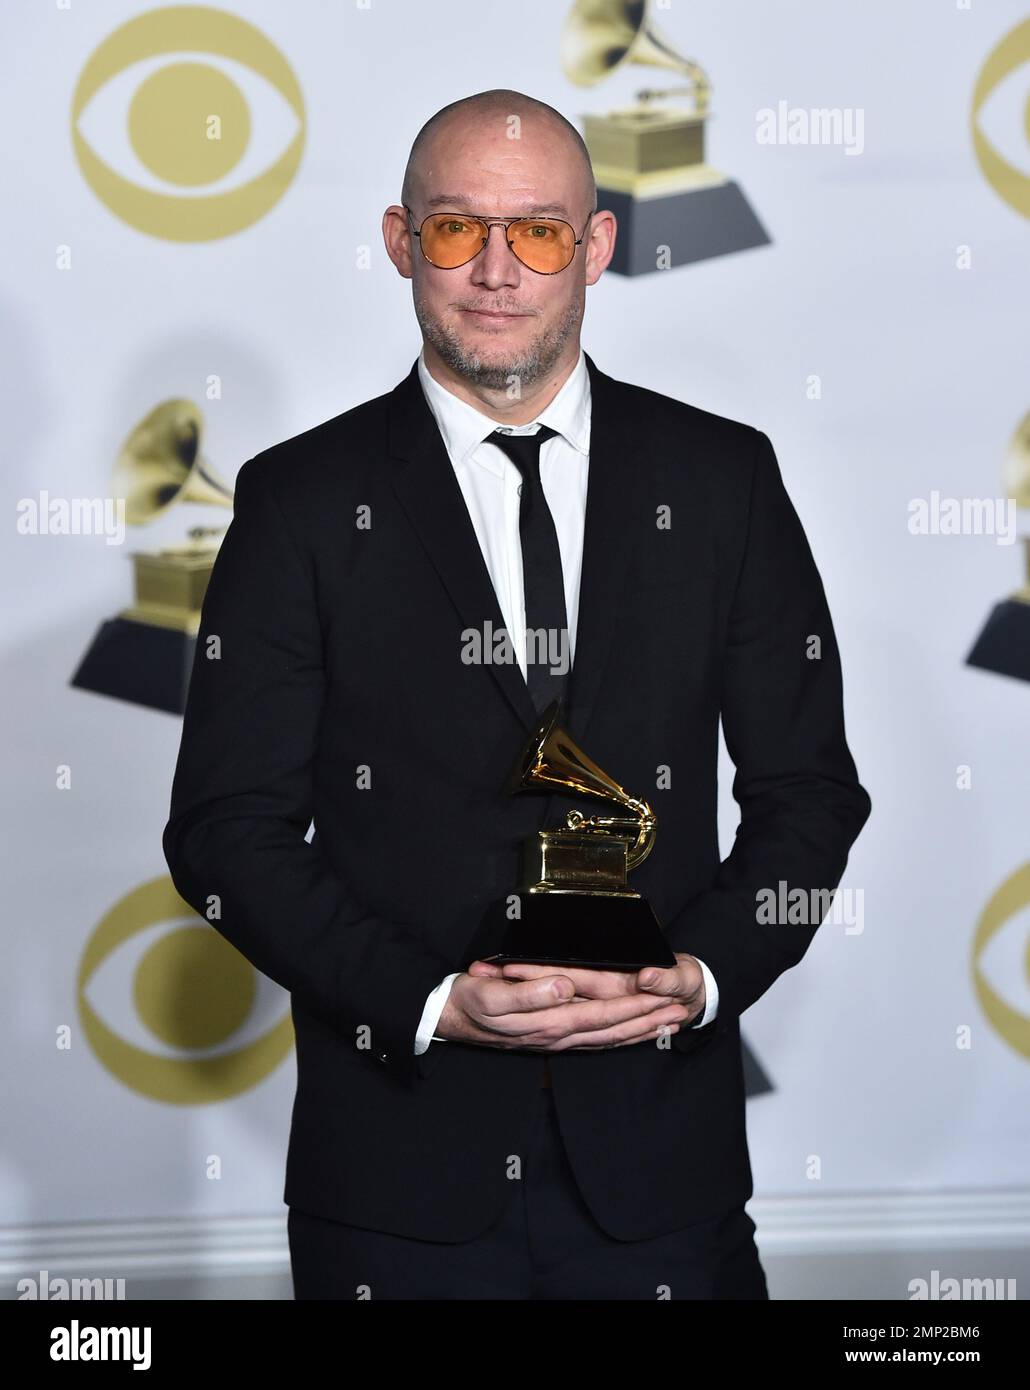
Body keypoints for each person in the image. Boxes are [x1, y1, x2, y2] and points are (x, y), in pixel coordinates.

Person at [162, 88, 871, 1300]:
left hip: (662, 1173)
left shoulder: (722, 481)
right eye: (455, 230)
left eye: (537, 231)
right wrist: (428, 1000)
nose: (496, 270)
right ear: (401, 242)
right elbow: (227, 830)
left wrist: (690, 978)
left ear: (595, 246)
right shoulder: (302, 500)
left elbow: (809, 795)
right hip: (394, 1181)